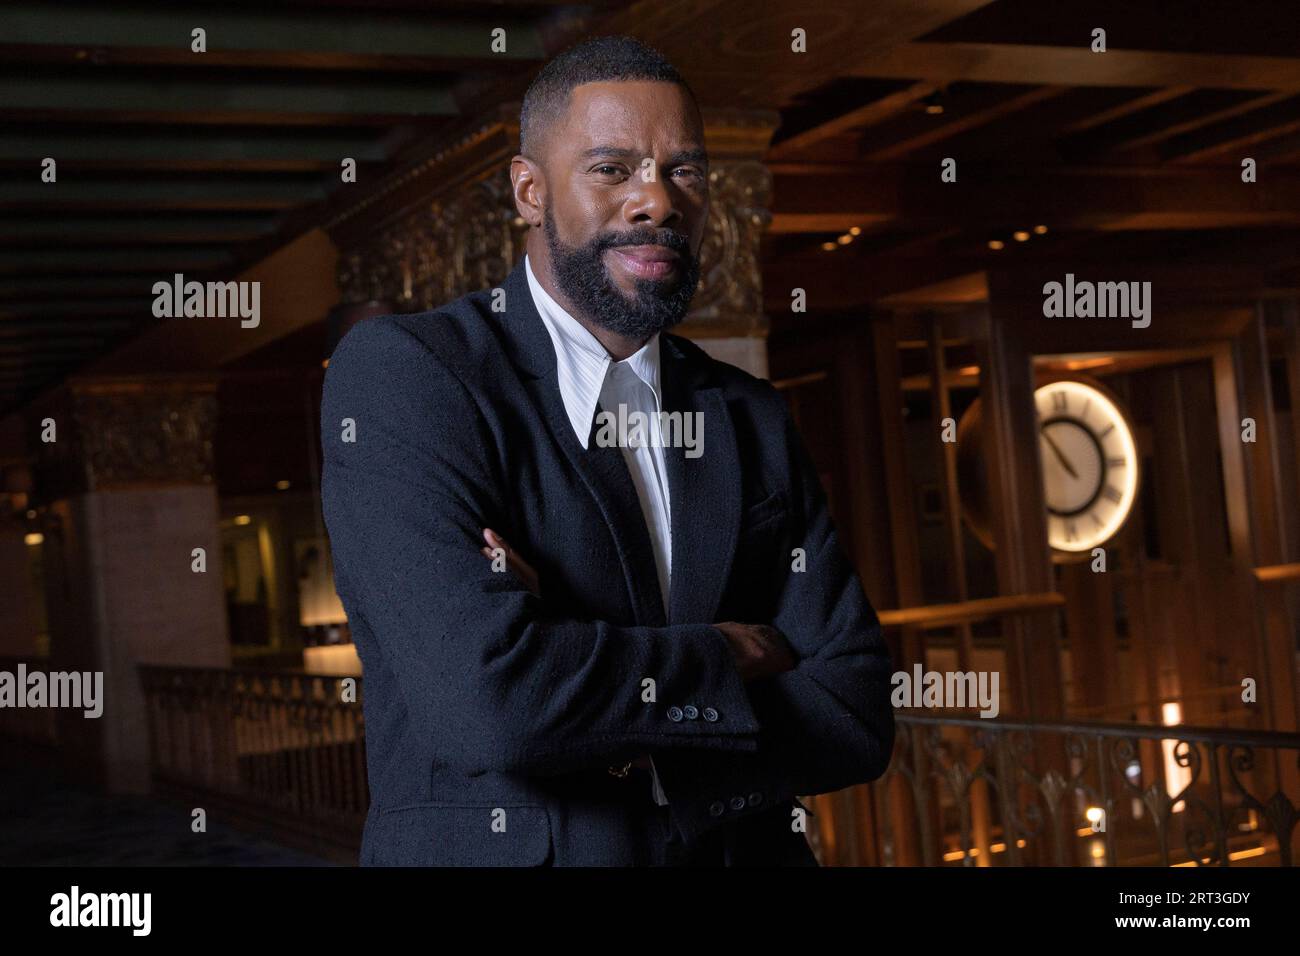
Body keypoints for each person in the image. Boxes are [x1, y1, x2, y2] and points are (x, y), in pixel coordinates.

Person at [321, 34, 893, 866]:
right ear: (529, 190)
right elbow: (489, 707)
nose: (656, 201)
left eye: (684, 172)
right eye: (611, 168)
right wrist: (729, 653)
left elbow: (854, 710)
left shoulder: (750, 415)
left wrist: (575, 676)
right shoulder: (412, 378)